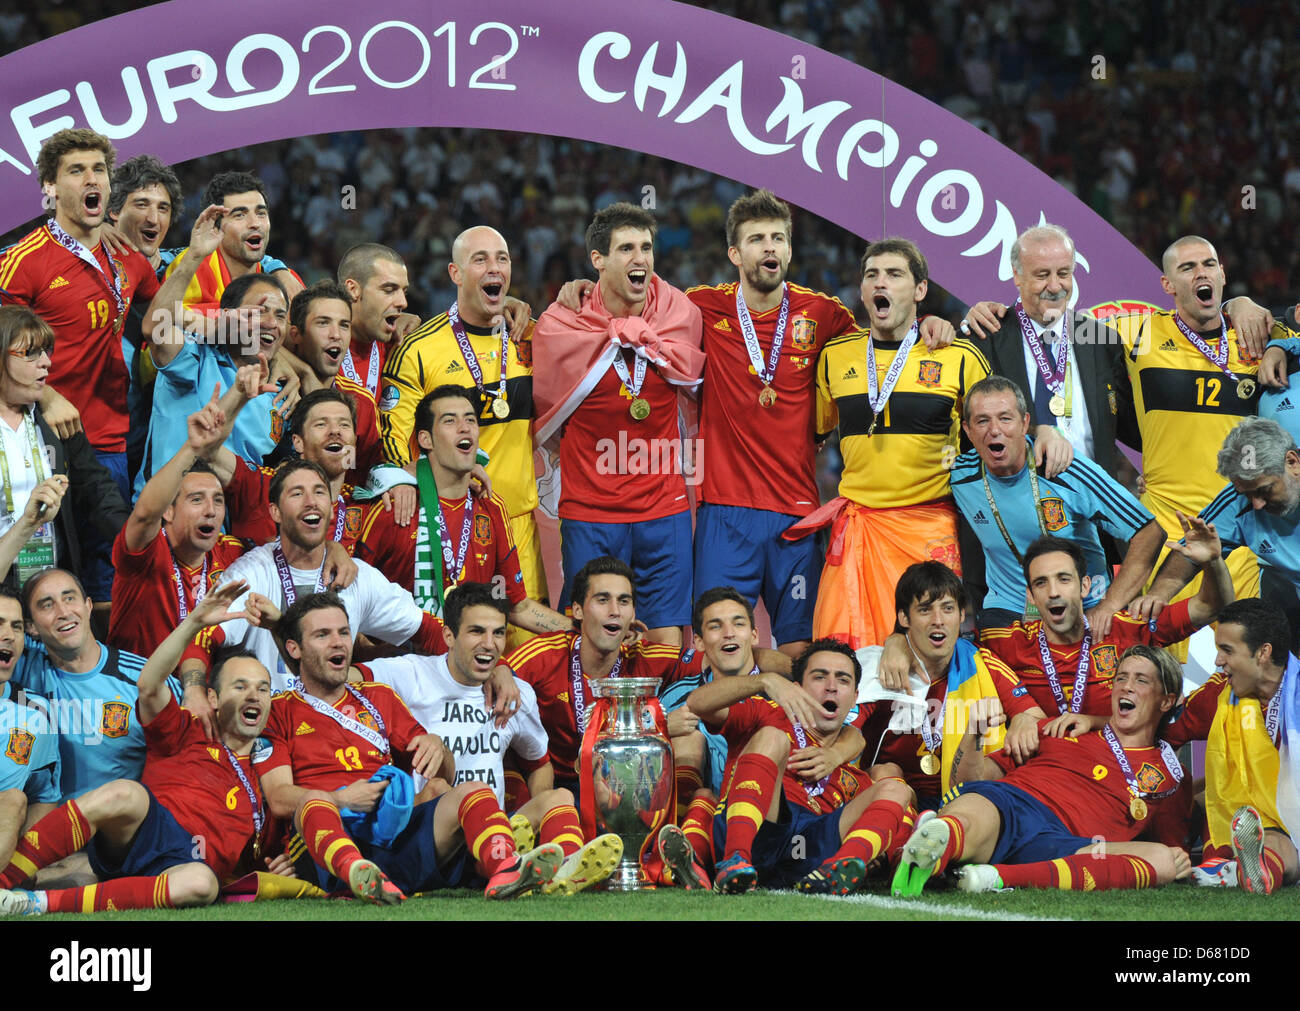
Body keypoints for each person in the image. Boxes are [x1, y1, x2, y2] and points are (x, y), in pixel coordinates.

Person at [258, 591, 565, 902]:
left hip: (390, 833)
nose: (338, 642)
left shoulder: (378, 697)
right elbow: (280, 798)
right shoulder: (279, 711)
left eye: (344, 632)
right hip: (324, 838)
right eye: (323, 635)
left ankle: (504, 869)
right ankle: (356, 874)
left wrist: (438, 748)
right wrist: (340, 799)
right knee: (313, 803)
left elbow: (443, 772)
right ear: (294, 648)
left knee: (472, 789)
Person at [0, 582, 285, 915]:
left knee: (201, 884)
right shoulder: (186, 731)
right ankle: (6, 882)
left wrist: (284, 862)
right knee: (125, 793)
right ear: (212, 698)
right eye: (240, 686)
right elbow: (149, 685)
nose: (253, 695)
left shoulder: (270, 760)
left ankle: (28, 903)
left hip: (186, 867)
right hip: (142, 835)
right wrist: (193, 623)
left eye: (263, 688)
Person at [353, 582, 624, 895]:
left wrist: (538, 816)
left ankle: (563, 872)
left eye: (498, 633)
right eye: (477, 632)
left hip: (493, 831)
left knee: (559, 798)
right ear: (449, 637)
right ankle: (512, 863)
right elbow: (341, 681)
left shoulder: (517, 693)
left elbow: (538, 763)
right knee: (469, 792)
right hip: (435, 831)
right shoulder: (410, 673)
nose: (490, 644)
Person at [0, 129, 169, 607]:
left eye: (99, 170)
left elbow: (166, 323)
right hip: (41, 438)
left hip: (109, 440)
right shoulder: (22, 262)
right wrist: (46, 394)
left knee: (105, 574)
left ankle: (97, 678)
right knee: (40, 568)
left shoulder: (127, 260)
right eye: (76, 171)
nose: (91, 178)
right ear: (50, 189)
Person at [801, 238, 991, 649]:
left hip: (930, 528)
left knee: (931, 659)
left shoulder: (958, 355)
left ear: (920, 290)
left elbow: (997, 439)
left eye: (894, 274)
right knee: (843, 657)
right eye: (871, 275)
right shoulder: (835, 356)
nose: (879, 283)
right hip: (859, 532)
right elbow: (811, 437)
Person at [533, 204, 705, 646]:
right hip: (591, 512)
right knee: (592, 640)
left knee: (666, 641)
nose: (640, 258)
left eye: (646, 247)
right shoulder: (562, 325)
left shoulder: (680, 315)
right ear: (598, 261)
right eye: (626, 248)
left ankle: (660, 717)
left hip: (663, 510)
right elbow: (541, 415)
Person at [893, 644, 1191, 896]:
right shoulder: (1060, 729)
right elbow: (968, 782)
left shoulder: (1170, 777)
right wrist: (973, 735)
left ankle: (991, 876)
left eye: (1141, 681)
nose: (1126, 686)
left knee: (1162, 859)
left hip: (1071, 846)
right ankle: (939, 840)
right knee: (976, 811)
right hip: (1011, 807)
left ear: (1165, 700)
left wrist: (1177, 858)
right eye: (1121, 678)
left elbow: (1172, 844)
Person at [1108, 236, 1294, 634]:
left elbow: (1296, 328)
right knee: (1159, 663)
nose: (1201, 273)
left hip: (1243, 528)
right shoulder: (1136, 332)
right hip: (1166, 528)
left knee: (1244, 658)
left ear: (1223, 274)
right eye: (1187, 268)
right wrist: (991, 313)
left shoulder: (1258, 335)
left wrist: (1264, 327)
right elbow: (1055, 328)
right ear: (1167, 285)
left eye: (1209, 264)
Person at [378, 229, 545, 618]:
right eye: (481, 259)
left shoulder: (531, 337)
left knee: (522, 655)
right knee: (454, 652)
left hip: (520, 523)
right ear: (455, 272)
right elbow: (396, 439)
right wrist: (411, 480)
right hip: (451, 524)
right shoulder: (419, 349)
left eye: (502, 259)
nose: (495, 268)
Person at [176, 460, 446, 699]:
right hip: (268, 726)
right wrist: (195, 692)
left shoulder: (356, 576)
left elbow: (429, 631)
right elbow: (200, 639)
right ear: (275, 513)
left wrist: (482, 671)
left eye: (319, 492)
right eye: (297, 493)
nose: (311, 501)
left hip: (333, 727)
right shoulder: (252, 572)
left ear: (329, 507)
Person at [685, 639, 915, 894]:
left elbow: (890, 816)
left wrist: (879, 851)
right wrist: (763, 681)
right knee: (772, 736)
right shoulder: (767, 713)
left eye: (843, 680)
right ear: (798, 688)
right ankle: (735, 858)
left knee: (896, 789)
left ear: (854, 699)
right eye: (819, 677)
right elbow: (697, 703)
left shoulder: (851, 771)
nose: (831, 687)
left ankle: (841, 868)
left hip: (806, 851)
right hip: (758, 831)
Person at [951, 376, 1165, 630]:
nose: (994, 430)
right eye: (982, 421)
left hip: (1083, 605)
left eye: (1006, 418)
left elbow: (1149, 531)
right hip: (1010, 609)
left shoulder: (1065, 468)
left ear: (1024, 423)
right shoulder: (959, 474)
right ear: (967, 430)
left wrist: (1109, 606)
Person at [358, 385, 568, 635]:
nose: (464, 427)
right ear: (425, 440)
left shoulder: (491, 507)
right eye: (450, 420)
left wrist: (580, 630)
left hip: (470, 661)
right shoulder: (396, 504)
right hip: (406, 663)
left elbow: (517, 607)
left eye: (470, 419)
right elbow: (351, 594)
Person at [980, 532, 1230, 720]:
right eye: (1041, 583)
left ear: (1085, 586)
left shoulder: (1127, 628)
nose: (1054, 592)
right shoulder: (1006, 642)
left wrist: (1213, 562)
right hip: (1043, 775)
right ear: (1031, 596)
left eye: (1064, 579)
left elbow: (1210, 606)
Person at [957, 224, 1138, 478]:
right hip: (1014, 503)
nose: (1055, 286)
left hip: (1094, 506)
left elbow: (1133, 428)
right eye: (1042, 275)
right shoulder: (984, 339)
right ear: (1017, 276)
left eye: (1063, 273)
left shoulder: (1102, 341)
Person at [865, 562, 1045, 808]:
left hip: (964, 795)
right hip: (895, 799)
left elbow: (1036, 717)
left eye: (948, 609)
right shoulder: (879, 666)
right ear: (904, 618)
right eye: (925, 610)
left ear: (961, 615)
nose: (938, 620)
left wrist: (1025, 720)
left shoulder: (982, 663)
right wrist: (894, 641)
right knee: (884, 774)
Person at [505, 556, 687, 793]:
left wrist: (754, 660)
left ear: (632, 615)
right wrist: (500, 670)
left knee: (690, 735)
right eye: (603, 600)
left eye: (624, 601)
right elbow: (486, 680)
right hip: (547, 783)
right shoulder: (545, 655)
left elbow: (713, 665)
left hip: (615, 787)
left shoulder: (645, 657)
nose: (614, 611)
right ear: (578, 610)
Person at [1166, 599, 1299, 894]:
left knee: (1280, 840)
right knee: (1181, 796)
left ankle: (1242, 868)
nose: (1217, 661)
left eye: (1227, 650)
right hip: (1237, 821)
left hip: (1290, 824)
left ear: (1263, 652)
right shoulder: (1218, 695)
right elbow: (1164, 737)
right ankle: (1243, 868)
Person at [8, 568, 167, 800]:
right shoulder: (18, 666)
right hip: (42, 822)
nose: (63, 612)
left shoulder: (141, 677)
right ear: (31, 626)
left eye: (69, 598)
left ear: (88, 606)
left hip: (117, 826)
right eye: (47, 605)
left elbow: (187, 750)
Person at [109, 393, 246, 659]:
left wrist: (240, 392)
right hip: (141, 692)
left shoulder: (231, 552)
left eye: (218, 500)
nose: (211, 510)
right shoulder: (145, 553)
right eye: (197, 499)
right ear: (168, 511)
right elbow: (145, 515)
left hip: (203, 689)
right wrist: (192, 448)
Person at [1147, 418, 1300, 653]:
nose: (1256, 504)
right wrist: (1157, 596)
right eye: (1248, 494)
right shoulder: (1239, 500)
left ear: (1292, 462)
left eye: (1265, 490)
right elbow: (1190, 552)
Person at [0, 306, 124, 591]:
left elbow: (97, 489)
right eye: (31, 353)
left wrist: (135, 542)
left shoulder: (55, 419)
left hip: (51, 580)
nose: (46, 363)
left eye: (46, 352)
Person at [139, 268, 292, 495]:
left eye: (280, 316)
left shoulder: (284, 394)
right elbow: (154, 328)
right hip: (168, 512)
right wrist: (194, 257)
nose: (271, 323)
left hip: (237, 521)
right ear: (228, 316)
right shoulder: (195, 356)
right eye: (259, 312)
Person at [161, 170, 303, 315]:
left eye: (261, 213)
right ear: (215, 226)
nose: (255, 223)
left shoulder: (287, 281)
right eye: (239, 215)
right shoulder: (193, 267)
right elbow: (163, 320)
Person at [283, 279, 381, 485]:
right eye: (323, 323)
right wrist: (303, 371)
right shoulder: (268, 388)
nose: (336, 335)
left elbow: (357, 478)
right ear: (296, 334)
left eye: (344, 325)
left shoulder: (361, 405)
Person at [0, 588, 61, 870]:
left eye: (16, 626)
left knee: (13, 801)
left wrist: (24, 864)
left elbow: (44, 796)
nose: (9, 635)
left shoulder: (35, 712)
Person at [338, 243, 413, 396]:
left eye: (404, 291)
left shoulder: (398, 347)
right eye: (389, 290)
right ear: (353, 290)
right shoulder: (316, 346)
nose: (403, 303)